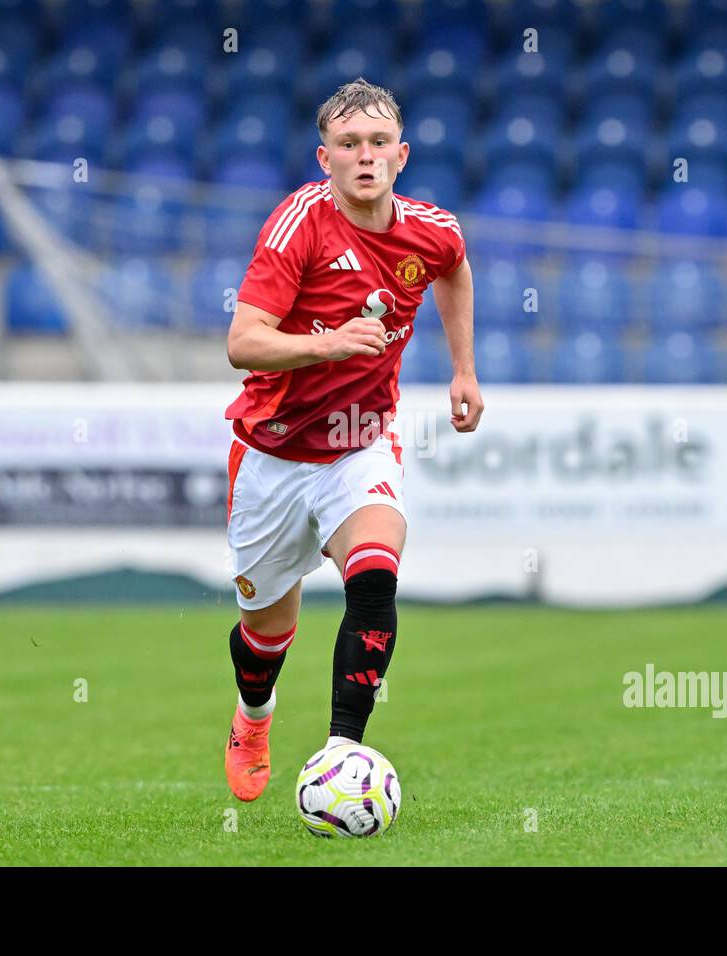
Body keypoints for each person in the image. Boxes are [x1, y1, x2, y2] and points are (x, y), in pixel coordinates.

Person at [222, 78, 483, 801]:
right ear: (325, 157)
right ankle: (253, 716)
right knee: (265, 637)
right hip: (273, 453)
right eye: (348, 145)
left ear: (401, 156)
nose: (364, 157)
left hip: (360, 444)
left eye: (377, 144)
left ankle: (344, 756)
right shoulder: (298, 223)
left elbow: (454, 269)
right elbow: (242, 342)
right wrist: (328, 344)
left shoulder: (433, 230)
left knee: (373, 576)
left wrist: (463, 369)